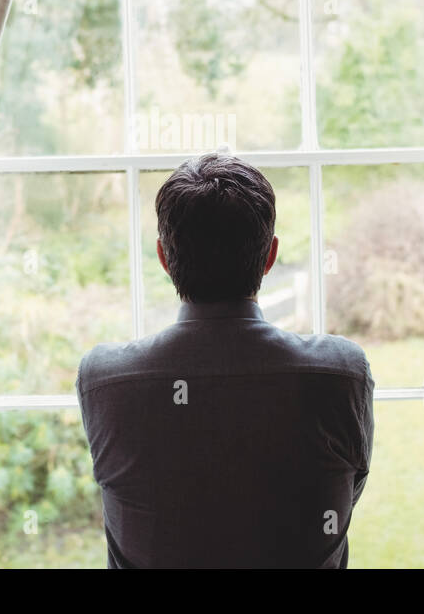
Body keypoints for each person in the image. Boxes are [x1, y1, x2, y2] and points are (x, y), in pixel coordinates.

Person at [76, 152, 375, 568]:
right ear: (270, 257)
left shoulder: (104, 379)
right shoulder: (341, 373)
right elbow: (346, 494)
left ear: (164, 258)